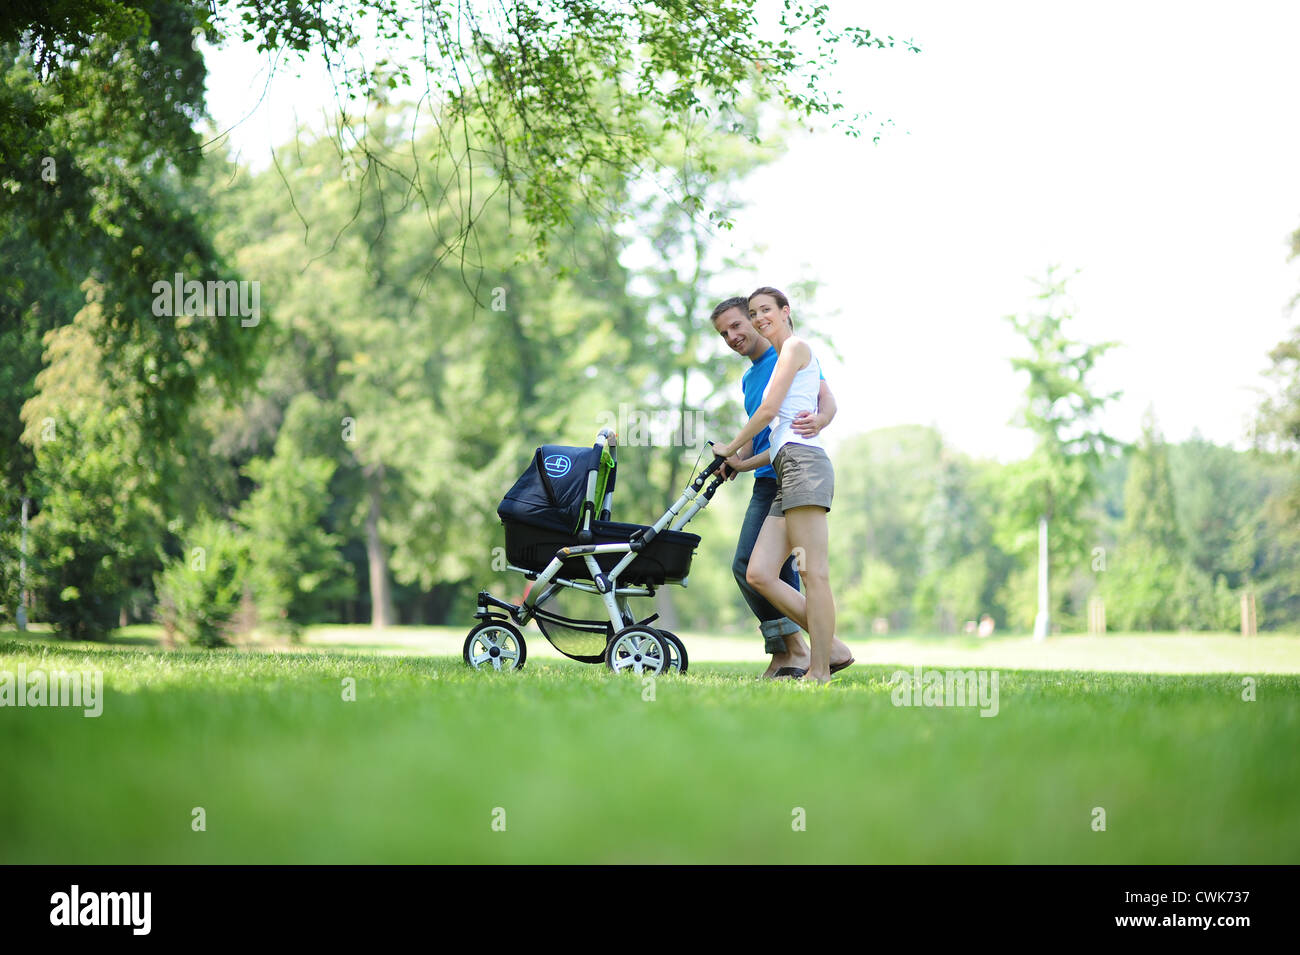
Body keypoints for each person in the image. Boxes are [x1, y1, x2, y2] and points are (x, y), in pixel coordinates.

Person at [712, 287, 849, 683]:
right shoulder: (752, 373)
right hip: (779, 465)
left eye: (757, 314)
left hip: (802, 466)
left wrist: (730, 446)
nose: (751, 323)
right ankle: (829, 647)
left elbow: (786, 408)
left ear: (784, 311)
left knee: (812, 573)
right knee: (757, 571)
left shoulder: (792, 349)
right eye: (751, 314)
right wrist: (739, 461)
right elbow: (773, 438)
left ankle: (816, 668)